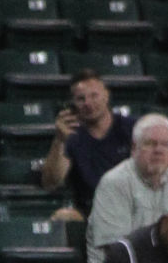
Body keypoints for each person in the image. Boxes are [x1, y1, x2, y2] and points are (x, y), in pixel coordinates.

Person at [85, 113, 168, 263]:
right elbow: (118, 249)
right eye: (151, 143)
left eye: (165, 144)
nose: (158, 150)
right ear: (134, 148)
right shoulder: (114, 183)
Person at [39, 68, 134, 215]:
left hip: (129, 206)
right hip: (90, 211)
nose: (88, 103)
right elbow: (51, 183)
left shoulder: (131, 128)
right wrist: (60, 140)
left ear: (106, 96)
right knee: (62, 216)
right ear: (73, 104)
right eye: (81, 99)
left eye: (94, 96)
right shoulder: (70, 135)